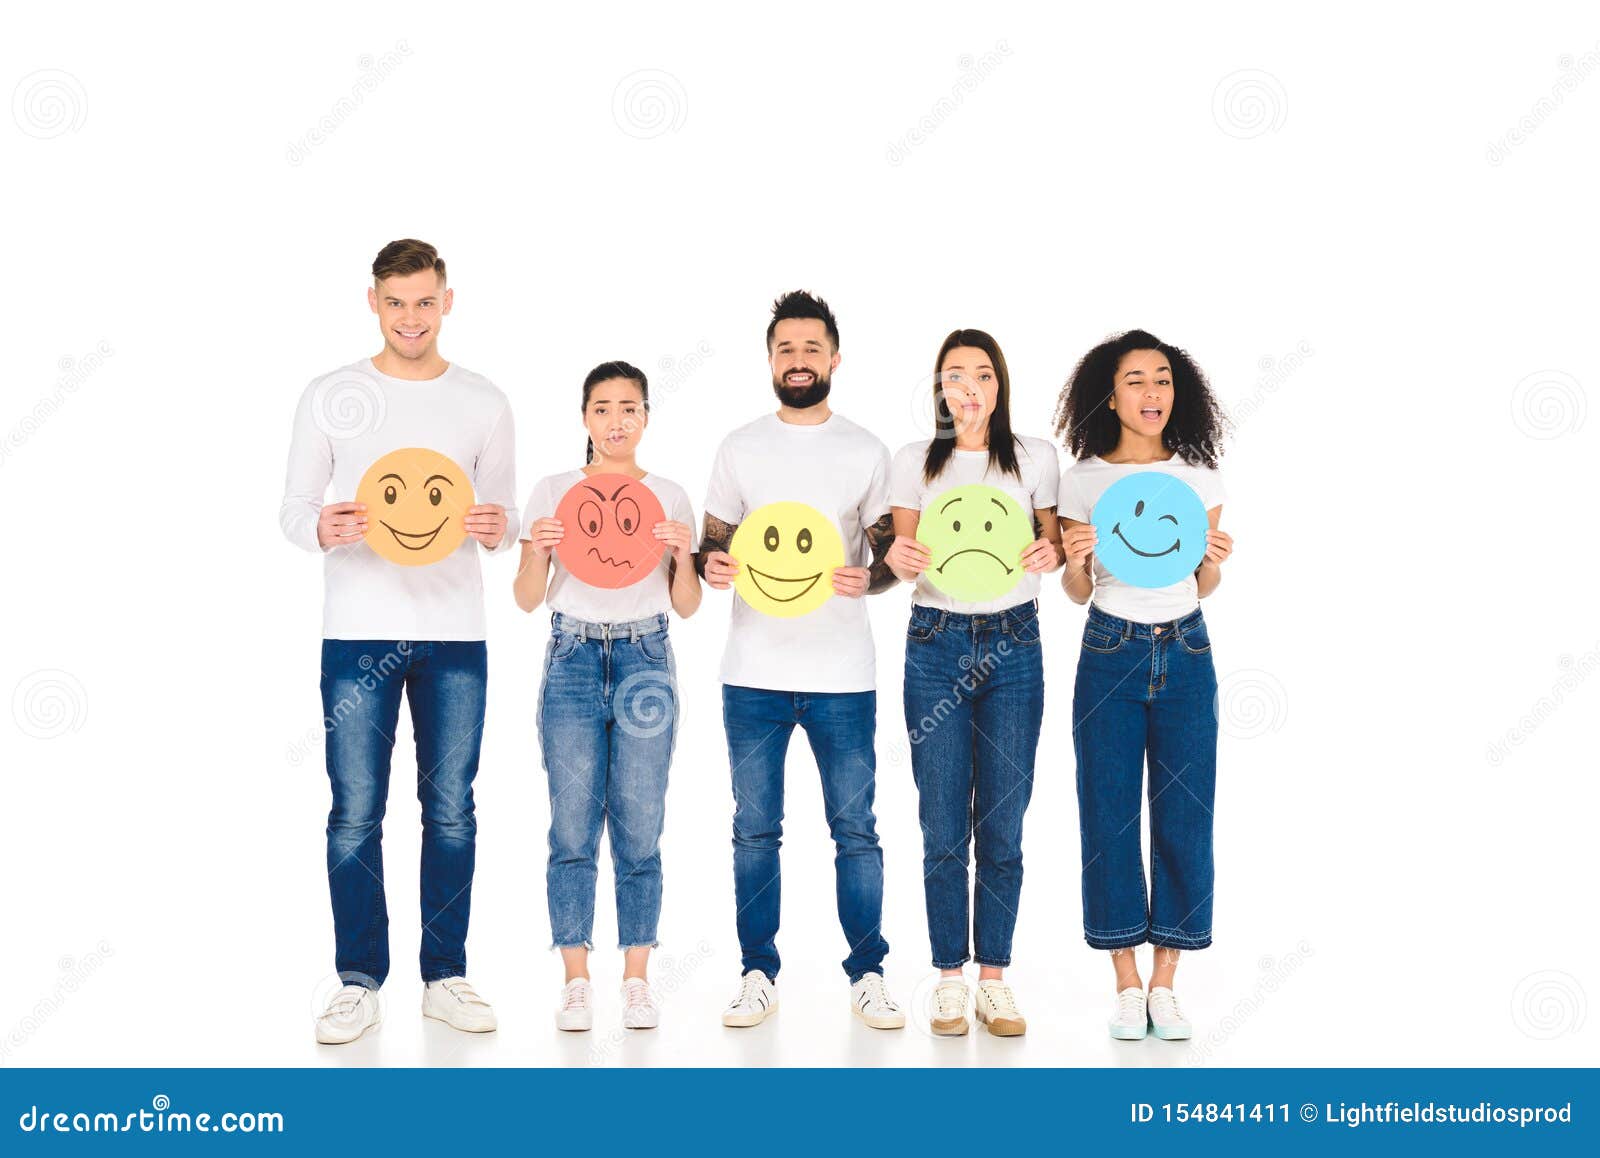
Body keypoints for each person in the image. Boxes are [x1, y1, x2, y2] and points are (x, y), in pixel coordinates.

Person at [280, 239, 518, 1044]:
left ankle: (445, 976)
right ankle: (358, 981)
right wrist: (322, 527)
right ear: (373, 303)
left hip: (454, 635)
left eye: (423, 302)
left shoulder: (483, 401)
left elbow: (504, 519)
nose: (410, 318)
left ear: (446, 301)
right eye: (395, 303)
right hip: (357, 633)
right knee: (355, 811)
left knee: (450, 810)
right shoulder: (332, 395)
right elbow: (293, 508)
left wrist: (498, 526)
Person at [697, 291, 906, 1030]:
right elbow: (712, 545)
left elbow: (890, 557)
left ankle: (869, 974)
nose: (798, 360)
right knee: (754, 830)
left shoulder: (866, 450)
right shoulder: (739, 447)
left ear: (835, 358)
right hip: (752, 672)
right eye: (785, 348)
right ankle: (757, 973)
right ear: (769, 359)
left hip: (842, 675)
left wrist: (870, 578)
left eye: (811, 348)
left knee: (856, 830)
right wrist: (710, 566)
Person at [1054, 329, 1234, 1042]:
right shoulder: (1081, 480)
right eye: (1135, 380)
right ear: (1110, 394)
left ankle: (1166, 984)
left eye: (1162, 379)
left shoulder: (1200, 478)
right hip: (1109, 647)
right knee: (1108, 812)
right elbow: (1076, 591)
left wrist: (1214, 560)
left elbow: (1202, 583)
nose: (1151, 392)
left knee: (1186, 813)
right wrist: (1075, 561)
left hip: (1186, 648)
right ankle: (1125, 983)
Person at [885, 328, 1063, 1036]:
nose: (968, 387)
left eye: (982, 374)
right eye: (954, 374)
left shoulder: (1035, 458)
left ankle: (994, 978)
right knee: (941, 820)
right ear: (939, 388)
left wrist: (1050, 551)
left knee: (1004, 820)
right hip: (936, 641)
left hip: (1015, 643)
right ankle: (949, 979)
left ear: (999, 385)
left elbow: (1052, 542)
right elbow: (901, 554)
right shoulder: (913, 462)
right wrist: (898, 557)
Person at [514, 361, 700, 1032]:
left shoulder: (670, 496)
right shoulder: (553, 491)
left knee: (640, 820)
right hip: (572, 655)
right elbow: (526, 598)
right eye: (602, 408)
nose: (616, 421)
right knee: (571, 823)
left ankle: (637, 979)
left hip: (646, 657)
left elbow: (688, 606)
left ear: (646, 416)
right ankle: (575, 980)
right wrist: (538, 550)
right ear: (584, 418)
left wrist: (683, 555)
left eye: (628, 408)